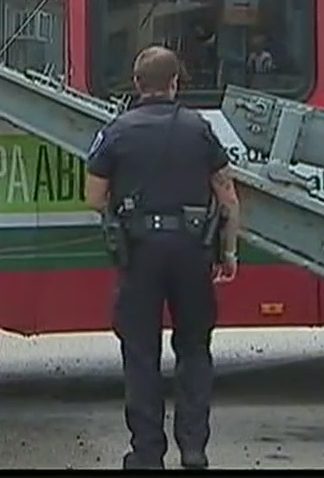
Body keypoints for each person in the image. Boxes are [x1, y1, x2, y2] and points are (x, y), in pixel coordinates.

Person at [84, 45, 242, 470]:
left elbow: (94, 197)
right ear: (176, 84)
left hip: (139, 255)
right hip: (193, 252)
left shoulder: (116, 131)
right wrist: (228, 250)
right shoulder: (199, 128)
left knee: (140, 352)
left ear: (137, 84)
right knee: (194, 347)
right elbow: (226, 195)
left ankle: (148, 452)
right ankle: (194, 448)